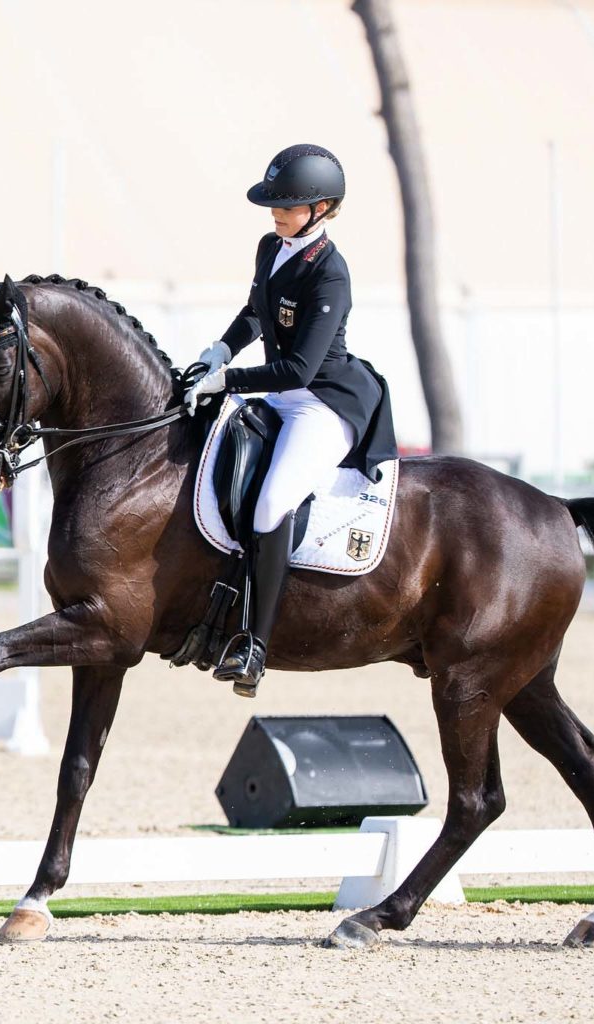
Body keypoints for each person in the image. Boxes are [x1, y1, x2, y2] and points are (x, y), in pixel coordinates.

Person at [184, 143, 398, 697]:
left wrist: (228, 382)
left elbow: (300, 368)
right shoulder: (270, 246)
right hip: (277, 387)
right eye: (274, 205)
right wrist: (219, 352)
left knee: (273, 500)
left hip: (323, 401)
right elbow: (255, 311)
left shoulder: (331, 272)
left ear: (323, 208)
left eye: (289, 207)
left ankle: (255, 645)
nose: (277, 215)